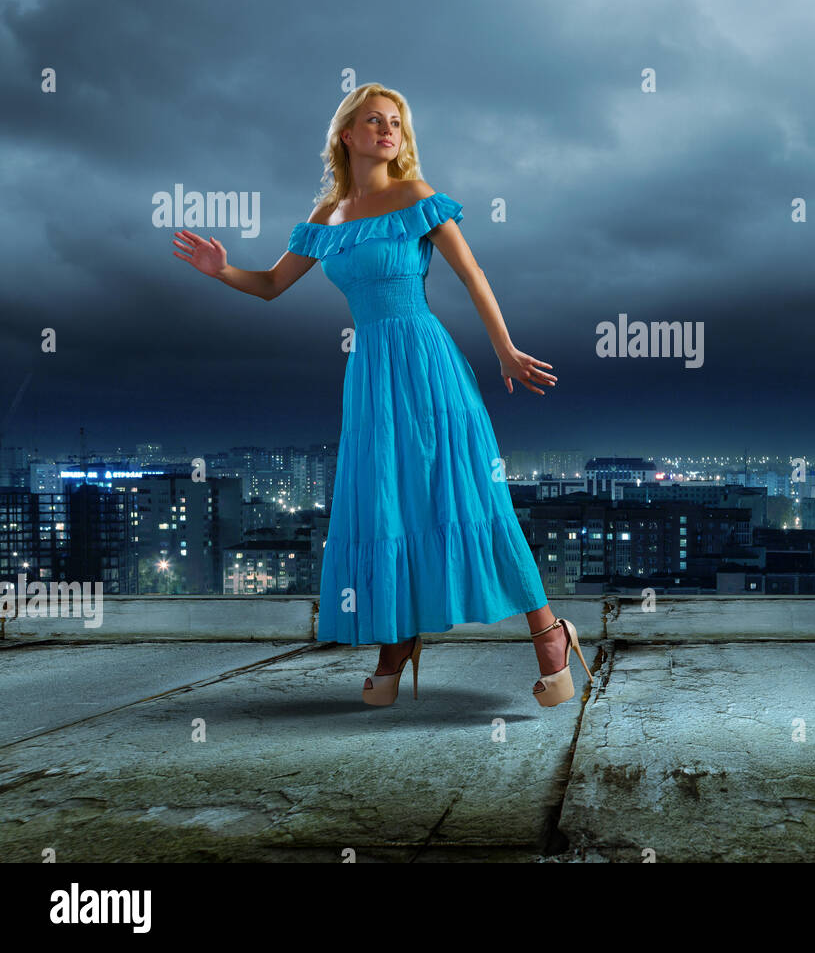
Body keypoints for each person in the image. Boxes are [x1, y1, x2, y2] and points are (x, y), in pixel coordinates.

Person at [172, 83, 591, 708]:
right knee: (385, 504)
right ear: (347, 134)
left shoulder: (418, 197)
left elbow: (472, 274)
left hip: (427, 363)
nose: (387, 130)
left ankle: (549, 633)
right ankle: (397, 641)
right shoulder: (327, 217)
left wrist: (504, 349)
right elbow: (269, 285)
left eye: (395, 122)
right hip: (370, 376)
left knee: (470, 493)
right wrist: (220, 271)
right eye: (374, 120)